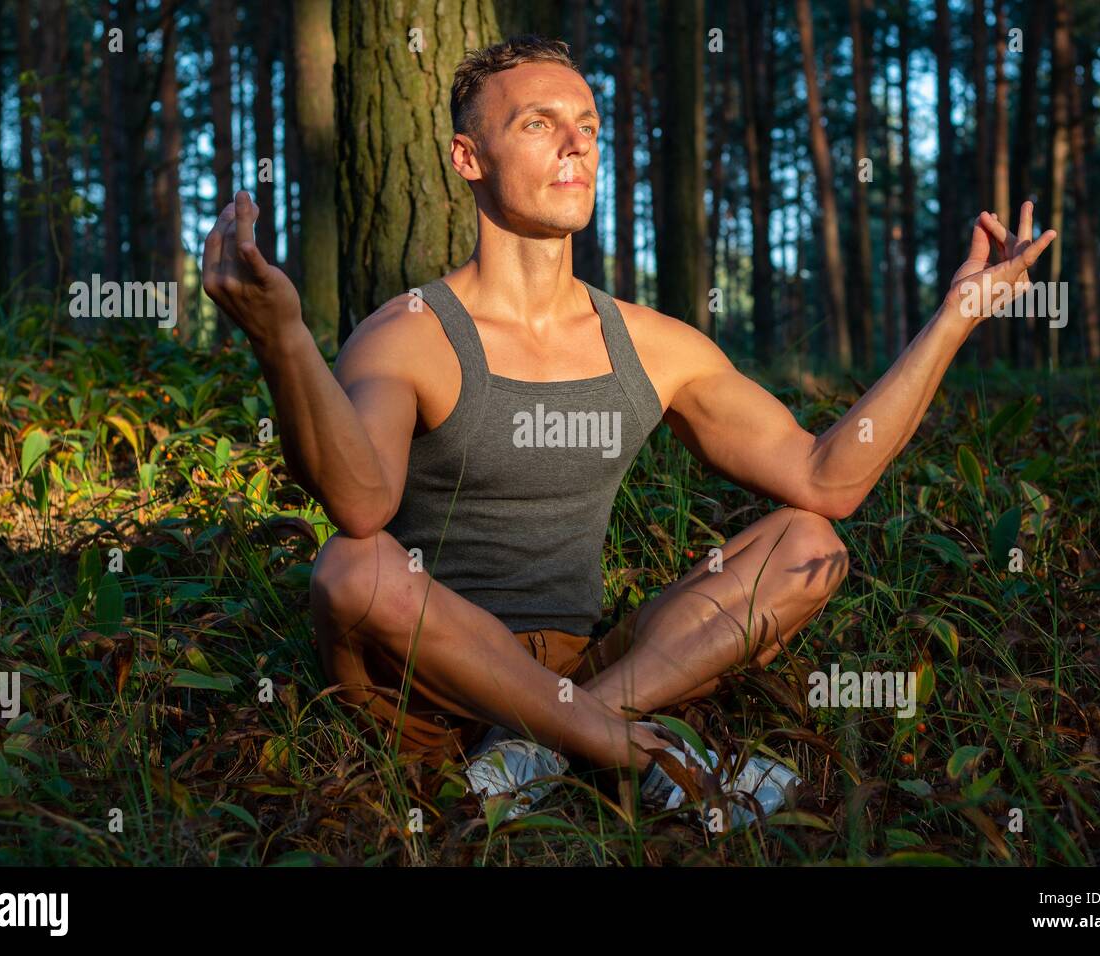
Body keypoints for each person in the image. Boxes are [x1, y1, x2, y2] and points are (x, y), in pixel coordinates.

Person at [201, 35, 1055, 829]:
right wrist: (283, 339)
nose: (576, 144)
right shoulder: (410, 333)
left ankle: (563, 737)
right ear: (468, 158)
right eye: (538, 124)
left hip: (588, 665)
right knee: (355, 566)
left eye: (588, 126)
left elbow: (828, 479)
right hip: (427, 688)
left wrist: (955, 318)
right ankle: (619, 748)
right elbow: (359, 502)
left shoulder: (652, 344)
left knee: (807, 541)